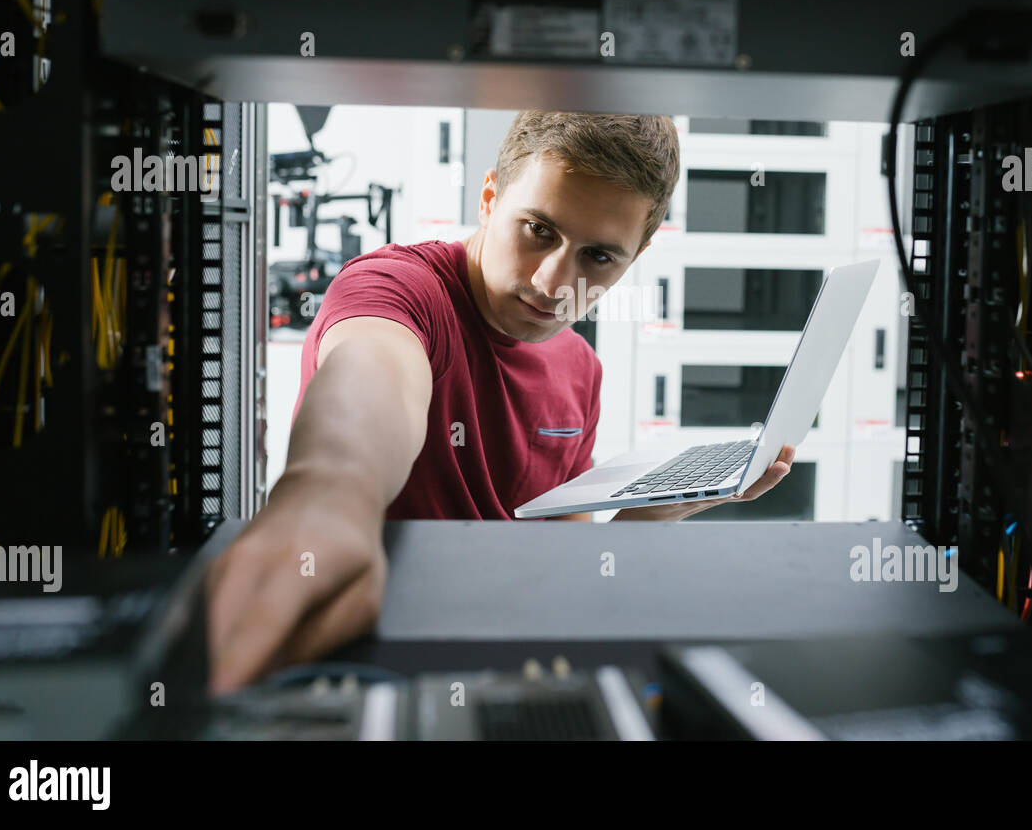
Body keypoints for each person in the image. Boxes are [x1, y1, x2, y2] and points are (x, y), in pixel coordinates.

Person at [204, 111, 796, 693]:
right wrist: (328, 499)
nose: (552, 283)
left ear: (633, 260)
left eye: (598, 257)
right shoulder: (399, 290)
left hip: (505, 681)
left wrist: (645, 520)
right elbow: (370, 382)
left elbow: (565, 573)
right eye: (539, 230)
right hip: (376, 670)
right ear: (490, 197)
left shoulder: (580, 371)